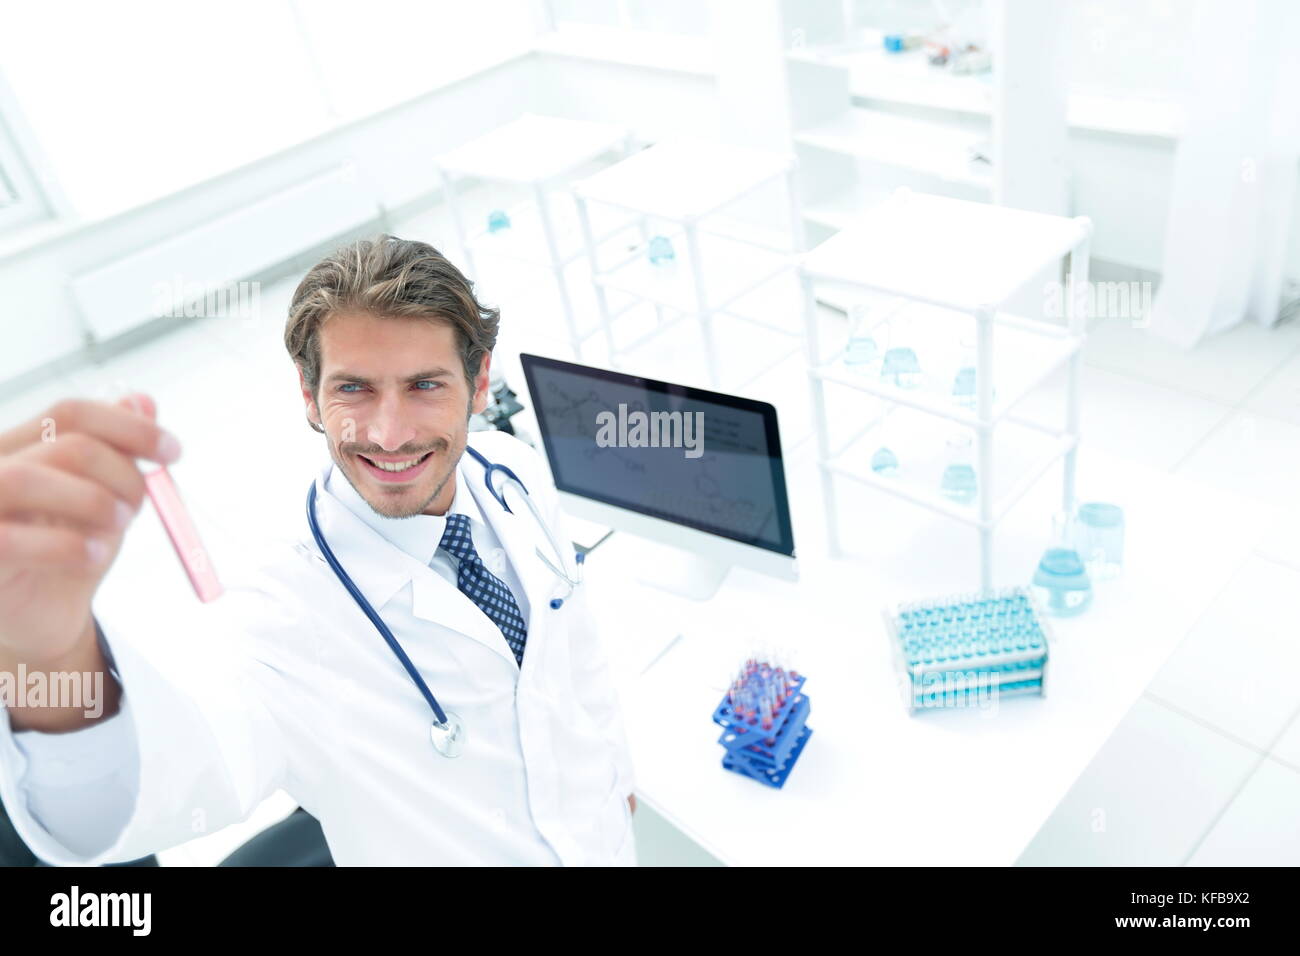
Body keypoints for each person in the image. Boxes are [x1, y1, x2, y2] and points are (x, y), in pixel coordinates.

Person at [0, 236, 637, 866]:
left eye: (424, 385)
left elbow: (575, 651)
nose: (389, 433)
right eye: (354, 390)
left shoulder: (512, 470)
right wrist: (47, 653)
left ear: (478, 385)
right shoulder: (280, 614)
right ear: (310, 397)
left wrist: (615, 776)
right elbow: (123, 802)